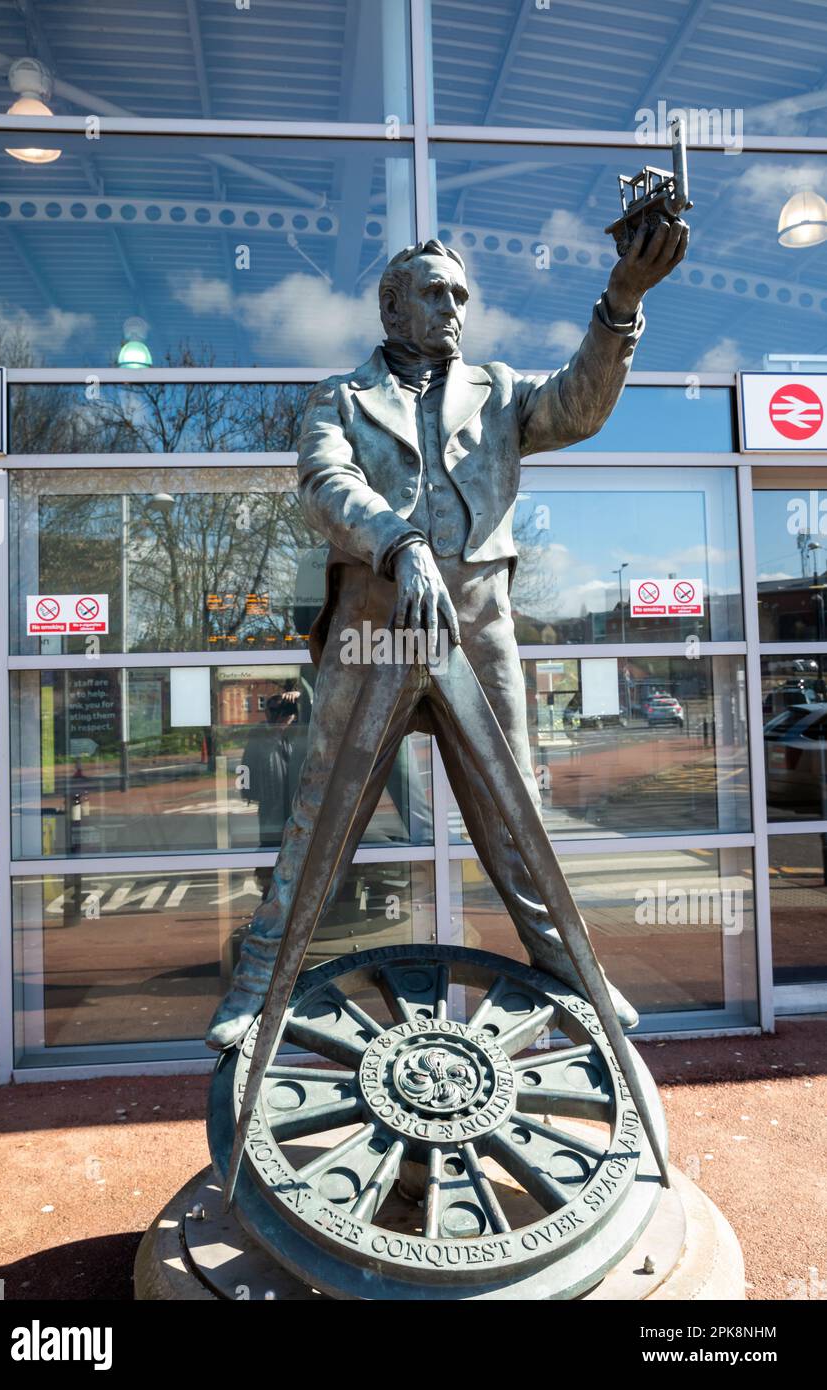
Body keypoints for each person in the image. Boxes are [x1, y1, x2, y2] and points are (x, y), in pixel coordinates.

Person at [207, 220, 688, 1050]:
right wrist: (400, 544)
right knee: (324, 815)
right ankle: (256, 984)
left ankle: (573, 968)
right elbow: (325, 484)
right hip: (376, 630)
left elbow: (580, 404)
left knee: (516, 816)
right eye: (433, 293)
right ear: (392, 308)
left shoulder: (500, 392)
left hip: (480, 630)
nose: (452, 308)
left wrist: (623, 302)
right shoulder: (340, 398)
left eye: (460, 295)